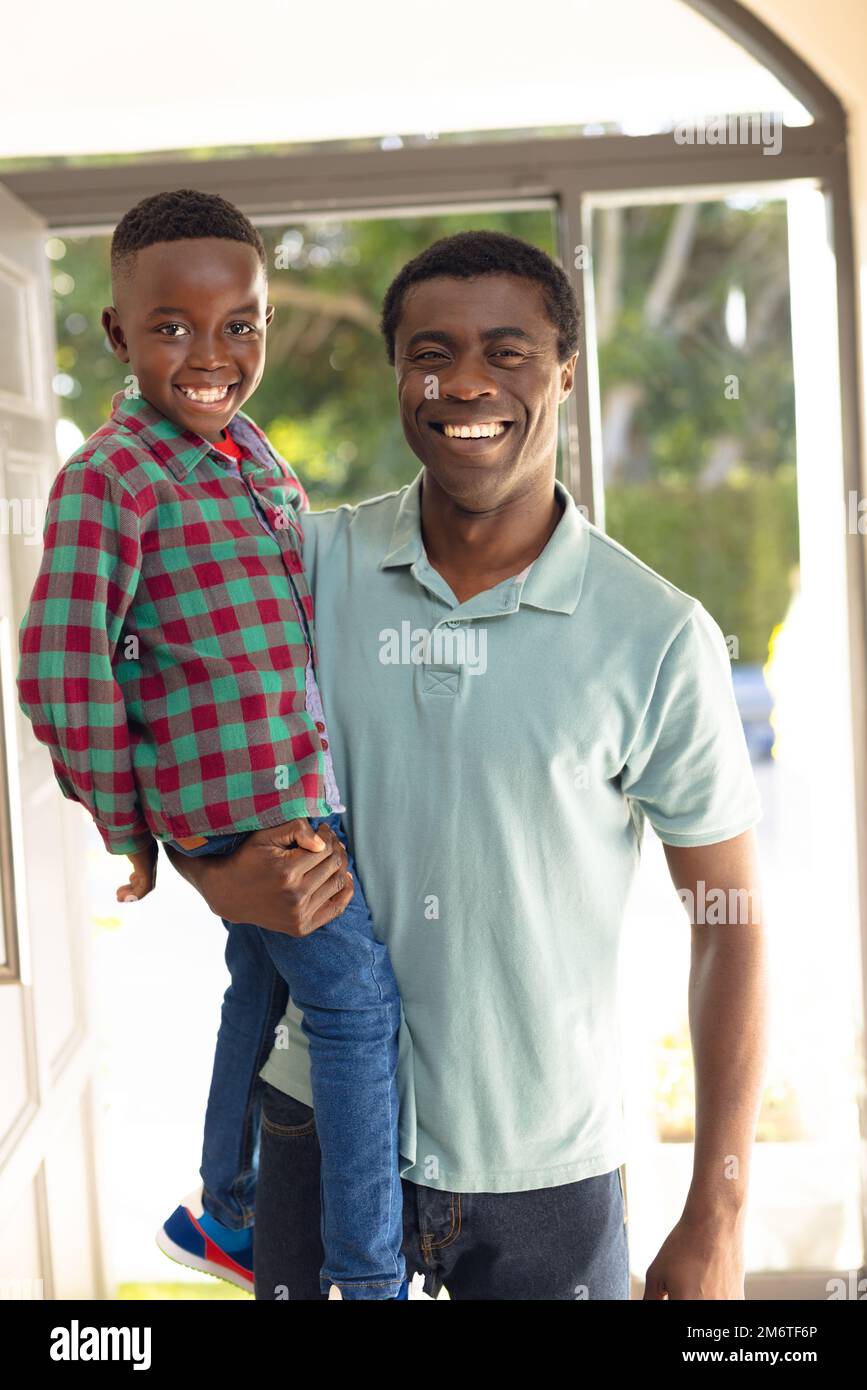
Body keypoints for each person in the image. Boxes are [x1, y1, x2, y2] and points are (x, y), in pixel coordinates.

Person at [171, 230, 767, 1301]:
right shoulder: (304, 569)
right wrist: (214, 875)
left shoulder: (658, 634)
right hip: (318, 1134)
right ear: (400, 372)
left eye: (510, 351)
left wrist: (718, 1210)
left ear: (566, 373)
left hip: (550, 1175)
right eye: (431, 352)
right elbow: (174, 726)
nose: (467, 384)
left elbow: (732, 919)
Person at [16, 188, 430, 1302]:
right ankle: (368, 1274)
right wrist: (136, 828)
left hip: (301, 783)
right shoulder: (110, 476)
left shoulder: (251, 452)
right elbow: (59, 669)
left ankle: (229, 1210)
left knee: (257, 985)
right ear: (117, 331)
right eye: (172, 327)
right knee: (356, 1009)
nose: (211, 354)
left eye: (237, 324)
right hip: (246, 804)